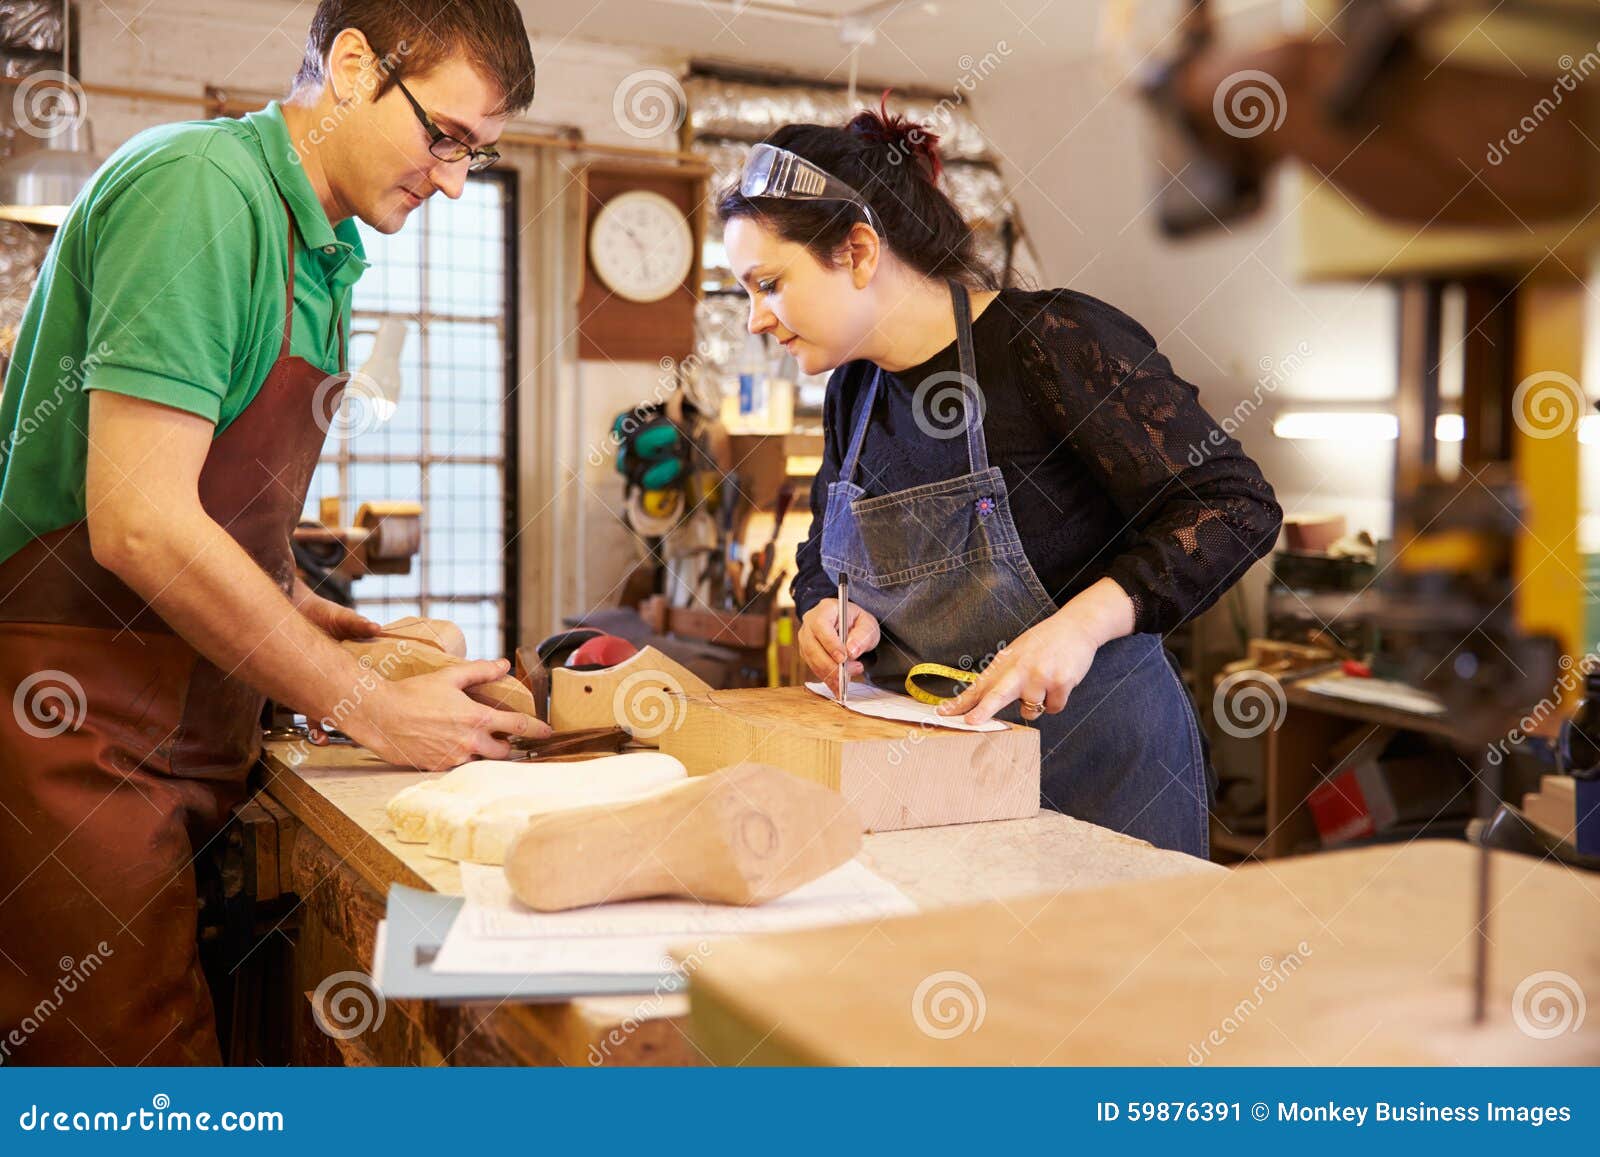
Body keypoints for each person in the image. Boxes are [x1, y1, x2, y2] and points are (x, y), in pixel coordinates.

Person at [0, 0, 545, 1064]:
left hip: (188, 728)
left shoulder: (324, 252)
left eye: (475, 154)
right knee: (128, 1090)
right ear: (351, 66)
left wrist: (318, 618)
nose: (451, 180)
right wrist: (373, 708)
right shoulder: (202, 192)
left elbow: (217, 516)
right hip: (69, 729)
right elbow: (142, 526)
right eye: (445, 136)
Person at [718, 104, 1283, 858]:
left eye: (768, 284)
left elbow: (1233, 505)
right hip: (943, 784)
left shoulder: (1049, 346)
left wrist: (1079, 626)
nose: (756, 318)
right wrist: (825, 606)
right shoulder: (855, 391)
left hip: (1100, 772)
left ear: (857, 250)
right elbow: (825, 545)